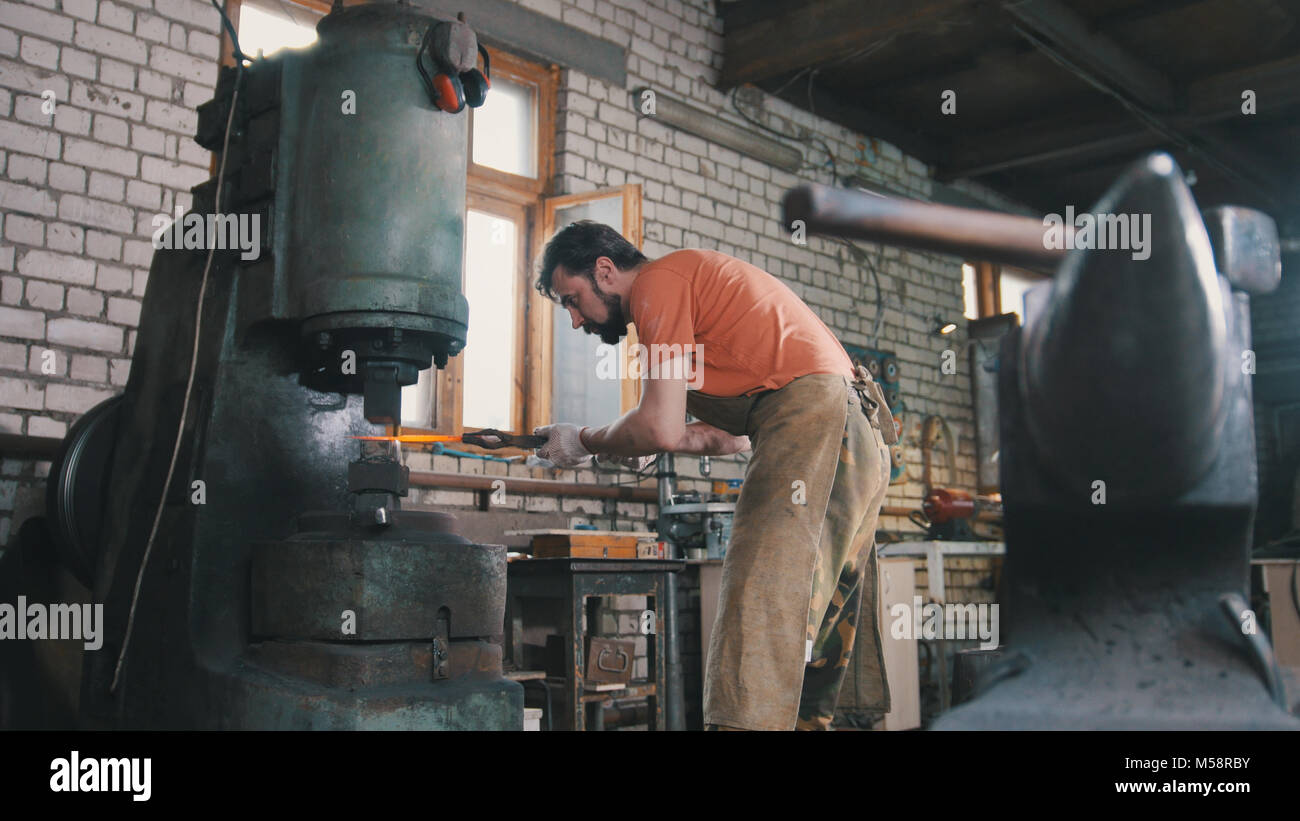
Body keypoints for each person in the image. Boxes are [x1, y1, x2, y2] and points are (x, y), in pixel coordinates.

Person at [533, 220, 897, 730]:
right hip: (854, 437)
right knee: (811, 627)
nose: (574, 321)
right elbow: (727, 437)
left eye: (571, 300)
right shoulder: (691, 290)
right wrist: (633, 441)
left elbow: (659, 426)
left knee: (761, 605)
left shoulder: (658, 286)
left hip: (817, 425)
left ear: (605, 270)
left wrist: (585, 441)